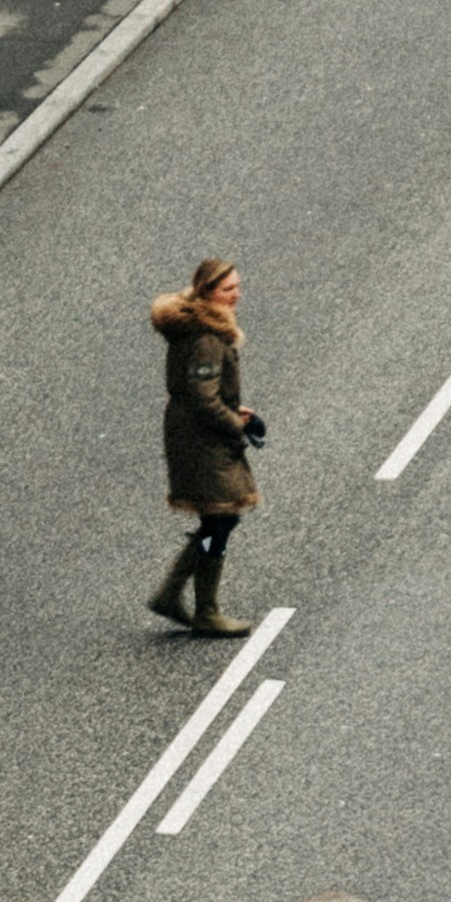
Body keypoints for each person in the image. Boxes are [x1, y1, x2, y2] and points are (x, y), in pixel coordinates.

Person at [148, 259, 263, 631]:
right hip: (202, 441)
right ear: (208, 292)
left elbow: (199, 392)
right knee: (220, 519)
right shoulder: (207, 338)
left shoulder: (200, 328)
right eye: (229, 289)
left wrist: (233, 410)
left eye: (238, 286)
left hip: (195, 434)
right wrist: (235, 424)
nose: (237, 295)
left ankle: (180, 596)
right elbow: (203, 398)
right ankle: (203, 609)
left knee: (220, 520)